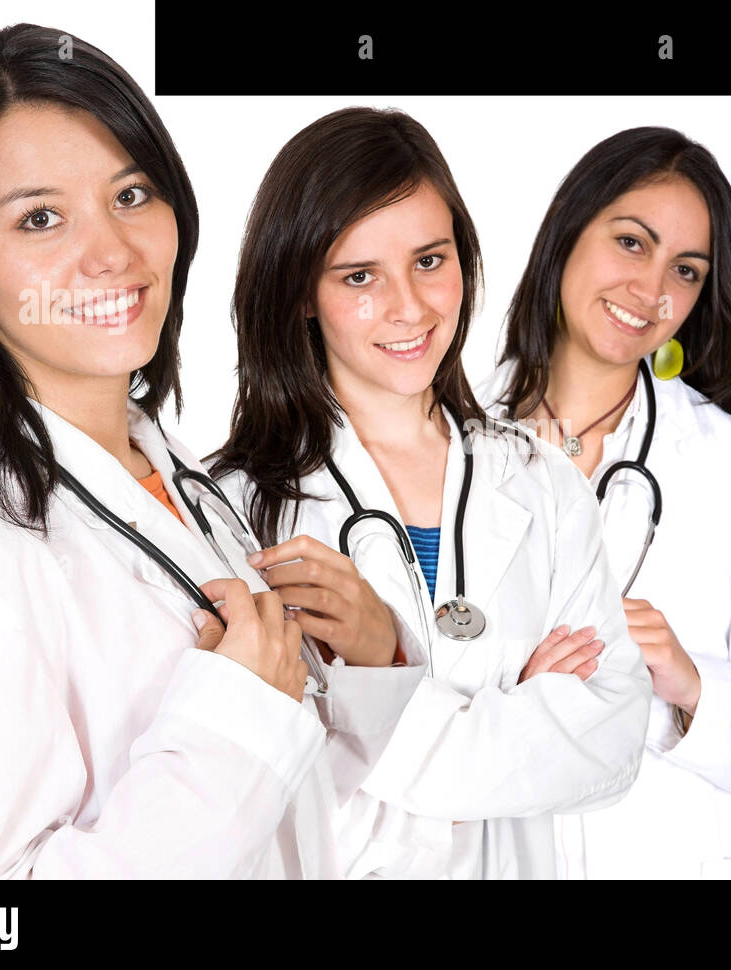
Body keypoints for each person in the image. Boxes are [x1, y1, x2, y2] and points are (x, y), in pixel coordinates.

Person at [0, 24, 424, 878]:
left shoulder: (179, 483)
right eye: (41, 218)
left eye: (130, 196)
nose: (112, 254)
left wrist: (370, 658)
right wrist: (231, 728)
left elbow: (281, 815)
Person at [209, 107, 652, 879]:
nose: (409, 307)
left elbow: (609, 743)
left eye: (429, 260)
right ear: (302, 293)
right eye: (359, 277)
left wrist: (380, 686)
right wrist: (516, 710)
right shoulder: (241, 507)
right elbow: (265, 796)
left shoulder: (542, 482)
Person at [476, 127, 731, 878]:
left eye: (685, 270)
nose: (652, 292)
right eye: (630, 243)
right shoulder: (452, 453)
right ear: (566, 233)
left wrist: (692, 685)